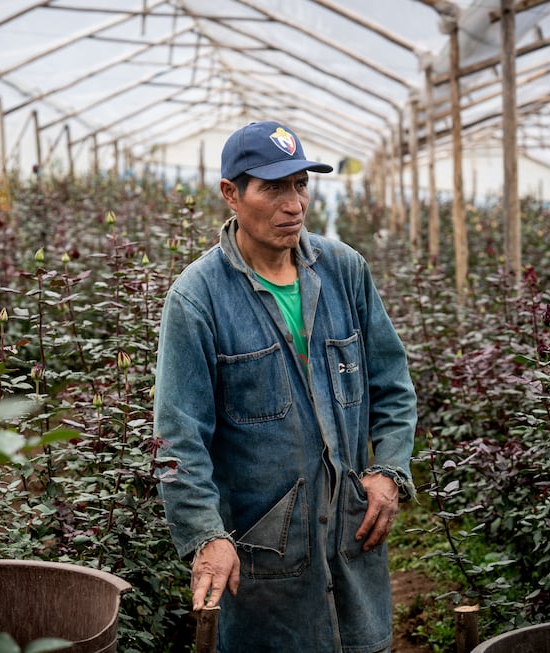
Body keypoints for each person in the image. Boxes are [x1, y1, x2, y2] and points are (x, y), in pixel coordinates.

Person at [154, 120, 417, 652]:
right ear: (231, 193)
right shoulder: (197, 300)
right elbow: (178, 440)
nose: (293, 203)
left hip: (352, 539)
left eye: (300, 184)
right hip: (265, 561)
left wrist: (389, 472)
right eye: (272, 187)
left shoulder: (344, 271)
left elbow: (393, 385)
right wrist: (205, 534)